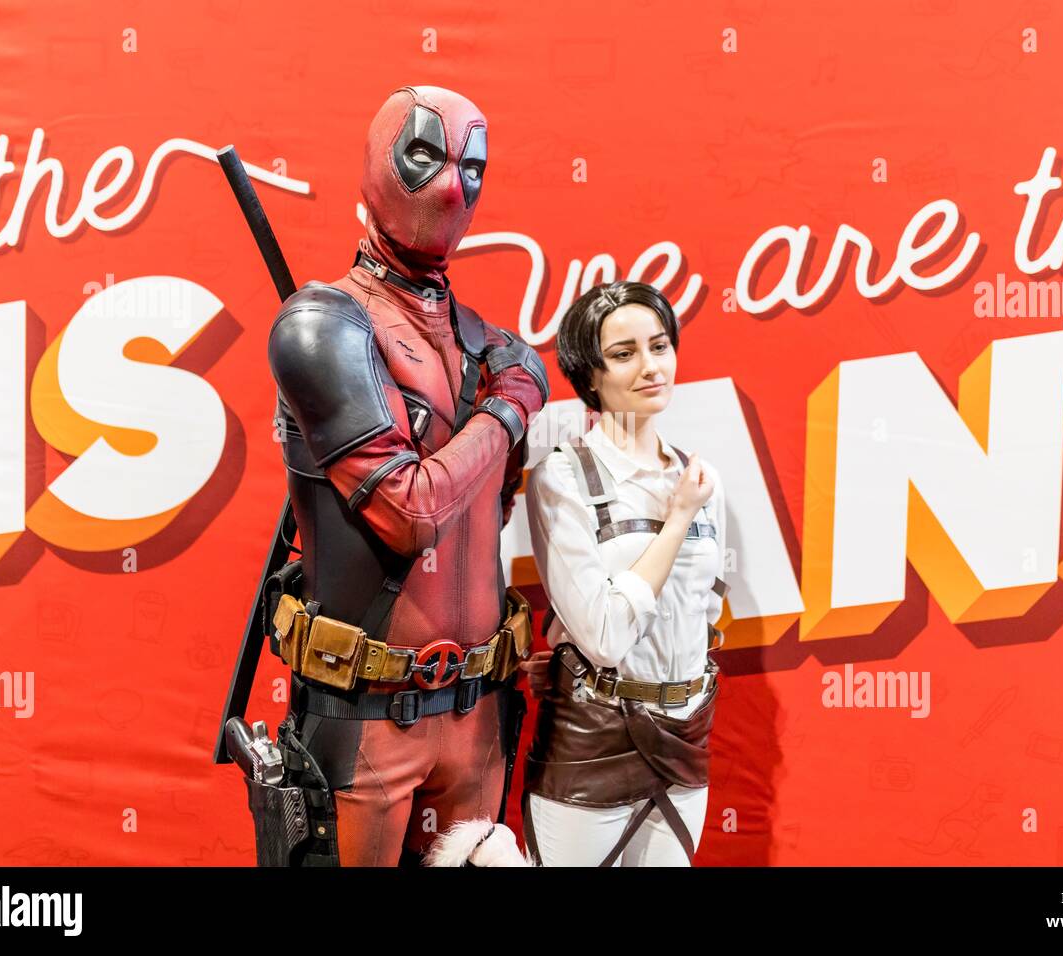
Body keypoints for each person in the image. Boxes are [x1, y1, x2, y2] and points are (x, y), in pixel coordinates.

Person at [262, 85, 549, 866]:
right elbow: (409, 512)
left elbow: (491, 509)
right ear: (377, 163)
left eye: (472, 166)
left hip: (478, 710)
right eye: (424, 155)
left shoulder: (488, 345)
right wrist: (508, 410)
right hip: (364, 717)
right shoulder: (323, 324)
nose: (454, 186)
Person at [519, 280, 728, 866]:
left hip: (685, 730)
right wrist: (677, 519)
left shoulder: (702, 480)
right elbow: (607, 637)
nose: (650, 367)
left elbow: (704, 617)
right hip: (593, 737)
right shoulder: (563, 477)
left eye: (659, 346)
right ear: (590, 374)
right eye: (624, 354)